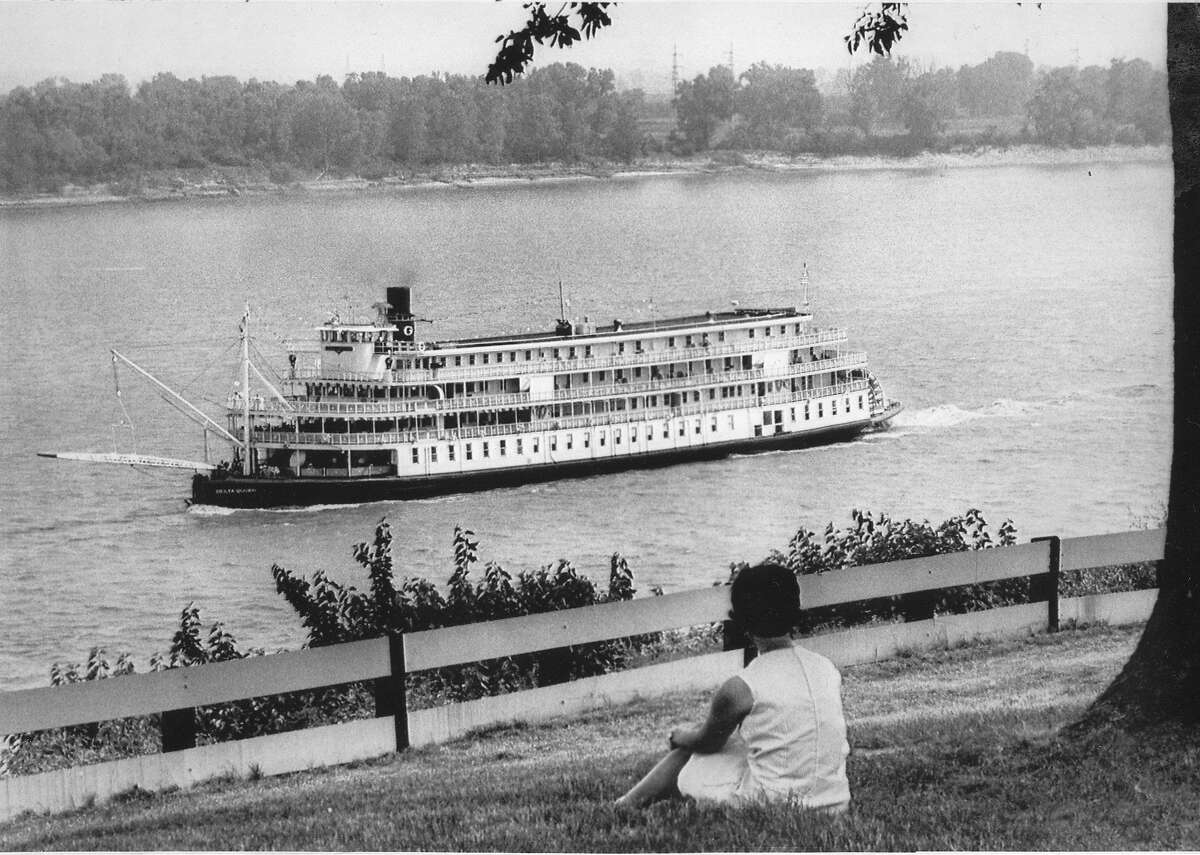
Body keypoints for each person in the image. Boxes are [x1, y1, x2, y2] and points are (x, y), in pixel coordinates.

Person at [615, 562, 851, 812]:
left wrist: (679, 736)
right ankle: (632, 802)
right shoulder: (825, 667)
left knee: (688, 752)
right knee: (740, 744)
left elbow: (707, 742)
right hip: (834, 803)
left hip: (774, 806)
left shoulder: (743, 686)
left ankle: (626, 805)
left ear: (740, 620)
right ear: (794, 612)